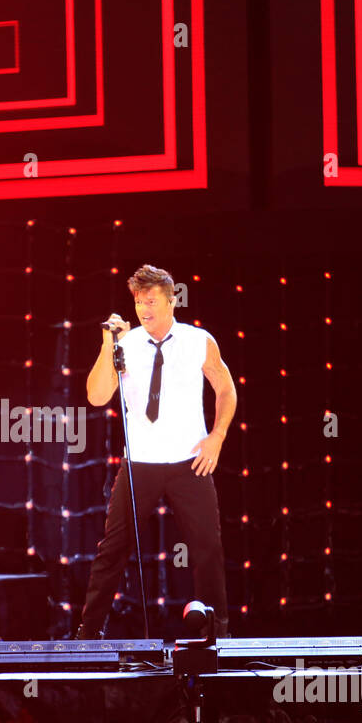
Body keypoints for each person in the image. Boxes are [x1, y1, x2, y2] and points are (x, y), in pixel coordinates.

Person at [74, 265, 235, 639]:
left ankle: (218, 633)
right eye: (138, 302)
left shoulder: (198, 341)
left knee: (207, 548)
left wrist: (217, 436)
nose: (144, 309)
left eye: (151, 301)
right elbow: (96, 397)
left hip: (188, 462)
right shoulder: (125, 346)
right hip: (140, 465)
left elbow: (226, 389)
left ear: (171, 300)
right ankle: (89, 632)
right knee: (111, 549)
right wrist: (107, 345)